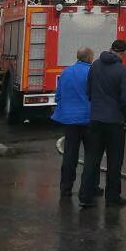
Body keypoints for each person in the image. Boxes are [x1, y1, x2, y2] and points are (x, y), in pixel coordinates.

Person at [81, 39, 126, 209]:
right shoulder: (123, 71)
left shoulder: (95, 65)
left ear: (111, 49)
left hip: (95, 119)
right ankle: (112, 198)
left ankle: (85, 195)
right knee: (114, 162)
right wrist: (124, 116)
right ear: (123, 53)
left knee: (91, 159)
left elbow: (88, 90)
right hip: (114, 122)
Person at [52, 46, 94, 200]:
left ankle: (65, 187)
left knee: (70, 155)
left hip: (69, 120)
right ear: (89, 57)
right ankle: (90, 187)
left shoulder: (66, 72)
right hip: (88, 119)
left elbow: (58, 96)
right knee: (91, 156)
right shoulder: (91, 72)